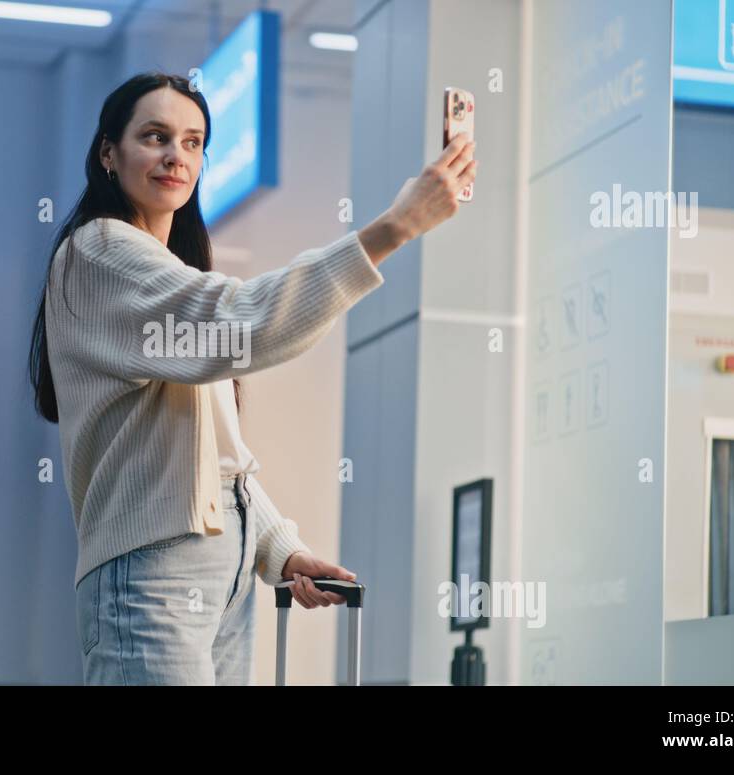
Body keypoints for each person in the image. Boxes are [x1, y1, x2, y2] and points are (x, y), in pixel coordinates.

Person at [28, 72, 476, 684]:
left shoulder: (171, 273)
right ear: (108, 152)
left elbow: (216, 463)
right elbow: (247, 323)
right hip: (152, 577)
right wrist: (392, 229)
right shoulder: (99, 252)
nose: (174, 156)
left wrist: (278, 549)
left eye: (192, 142)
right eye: (154, 136)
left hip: (223, 577)